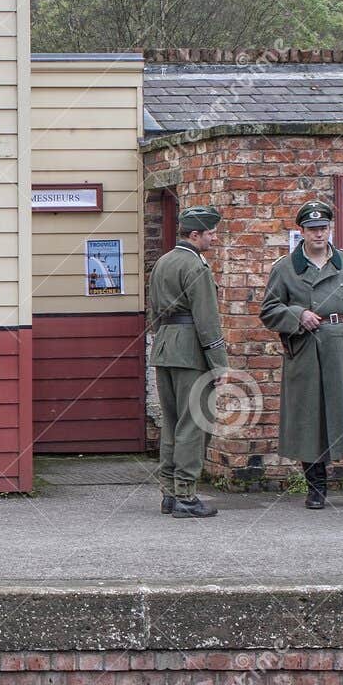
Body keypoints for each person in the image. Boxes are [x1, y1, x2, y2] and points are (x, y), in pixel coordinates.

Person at [259, 200, 343, 509]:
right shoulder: (285, 268)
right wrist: (297, 314)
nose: (318, 234)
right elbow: (268, 310)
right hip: (306, 349)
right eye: (312, 229)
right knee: (310, 418)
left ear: (329, 229)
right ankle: (316, 488)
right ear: (302, 232)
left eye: (322, 228)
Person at [149, 205, 234, 519]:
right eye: (210, 233)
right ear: (195, 234)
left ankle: (169, 492)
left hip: (166, 347)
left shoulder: (163, 262)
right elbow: (207, 319)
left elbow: (154, 312)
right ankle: (185, 494)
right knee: (194, 424)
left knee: (171, 424)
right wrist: (219, 363)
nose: (214, 238)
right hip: (191, 350)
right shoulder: (196, 266)